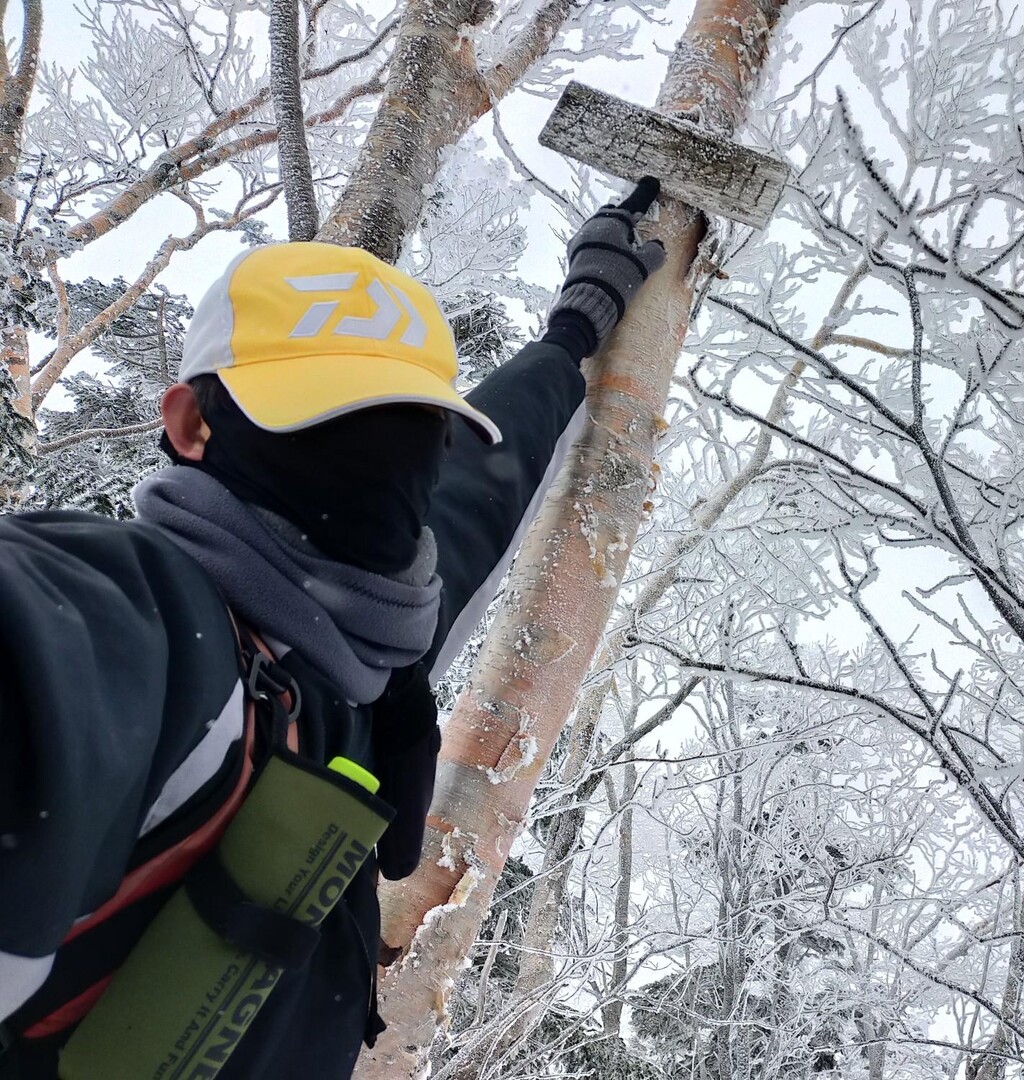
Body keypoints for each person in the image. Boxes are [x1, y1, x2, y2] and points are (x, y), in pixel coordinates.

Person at [0, 179, 666, 1077]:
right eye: (322, 412)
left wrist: (575, 328)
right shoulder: (126, 615)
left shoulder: (367, 652)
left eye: (409, 424)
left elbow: (485, 481)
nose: (377, 458)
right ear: (191, 422)